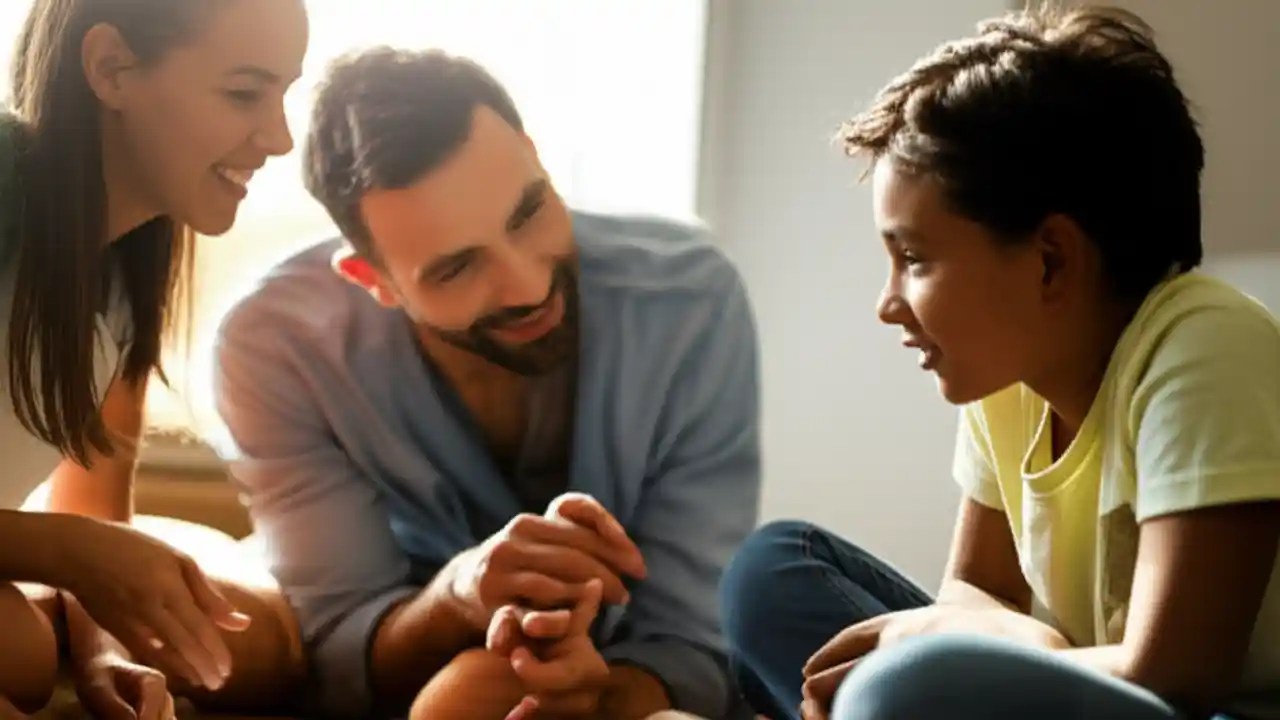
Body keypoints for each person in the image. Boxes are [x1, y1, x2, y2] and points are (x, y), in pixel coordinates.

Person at [719, 5, 1280, 720]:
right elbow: (974, 594)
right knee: (770, 572)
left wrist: (962, 639)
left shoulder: (1205, 346)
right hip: (1071, 686)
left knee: (903, 685)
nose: (887, 304)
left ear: (1050, 262)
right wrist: (975, 631)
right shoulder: (1010, 378)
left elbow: (1177, 672)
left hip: (1211, 712)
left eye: (914, 259)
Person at [210, 47, 762, 720]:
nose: (528, 286)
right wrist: (459, 597)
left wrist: (595, 699)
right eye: (456, 269)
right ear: (374, 281)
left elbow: (695, 643)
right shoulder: (277, 348)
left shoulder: (691, 299)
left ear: (535, 157)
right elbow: (335, 658)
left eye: (529, 212)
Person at [0, 0, 308, 716]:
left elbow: (94, 509)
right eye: (243, 93)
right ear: (110, 68)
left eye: (284, 93)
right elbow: (83, 538)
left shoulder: (127, 269)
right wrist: (68, 552)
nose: (280, 138)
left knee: (29, 649)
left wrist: (105, 645)